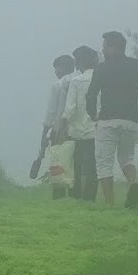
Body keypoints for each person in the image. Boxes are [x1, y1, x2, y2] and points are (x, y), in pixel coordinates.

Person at [85, 31, 138, 207]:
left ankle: (110, 204)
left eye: (105, 46)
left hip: (107, 120)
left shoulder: (102, 68)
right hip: (130, 120)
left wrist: (92, 114)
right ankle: (132, 182)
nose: (102, 50)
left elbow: (91, 95)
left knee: (104, 165)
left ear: (113, 47)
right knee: (127, 158)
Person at [59, 45, 99, 201]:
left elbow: (70, 108)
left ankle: (75, 196)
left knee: (76, 165)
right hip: (97, 129)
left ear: (80, 62)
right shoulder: (102, 78)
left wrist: (63, 127)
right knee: (92, 166)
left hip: (77, 131)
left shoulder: (76, 81)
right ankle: (90, 198)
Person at [36, 54, 75, 199]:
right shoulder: (79, 82)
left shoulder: (57, 85)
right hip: (78, 131)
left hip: (59, 131)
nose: (55, 72)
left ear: (63, 68)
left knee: (58, 163)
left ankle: (59, 196)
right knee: (74, 164)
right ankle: (75, 195)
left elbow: (51, 112)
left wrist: (45, 133)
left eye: (57, 69)